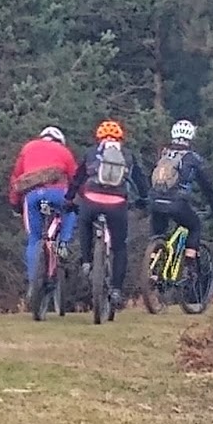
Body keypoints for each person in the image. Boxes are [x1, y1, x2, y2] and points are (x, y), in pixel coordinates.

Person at [63, 119, 150, 311]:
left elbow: (77, 179)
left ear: (99, 138)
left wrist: (69, 199)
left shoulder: (91, 153)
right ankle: (117, 289)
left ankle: (86, 262)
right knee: (119, 247)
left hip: (91, 201)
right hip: (117, 204)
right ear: (120, 139)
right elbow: (140, 182)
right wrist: (144, 199)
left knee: (84, 224)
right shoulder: (127, 155)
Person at [7, 125, 78, 306]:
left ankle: (33, 283)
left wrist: (15, 203)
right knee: (71, 210)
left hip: (33, 196)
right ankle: (63, 243)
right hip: (57, 194)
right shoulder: (64, 151)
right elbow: (75, 179)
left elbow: (16, 177)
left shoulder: (28, 148)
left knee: (34, 239)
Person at [147, 119, 213, 277]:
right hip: (177, 203)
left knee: (158, 234)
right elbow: (206, 186)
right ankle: (189, 264)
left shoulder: (164, 154)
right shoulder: (193, 158)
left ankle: (153, 266)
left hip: (155, 201)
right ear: (191, 137)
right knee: (194, 226)